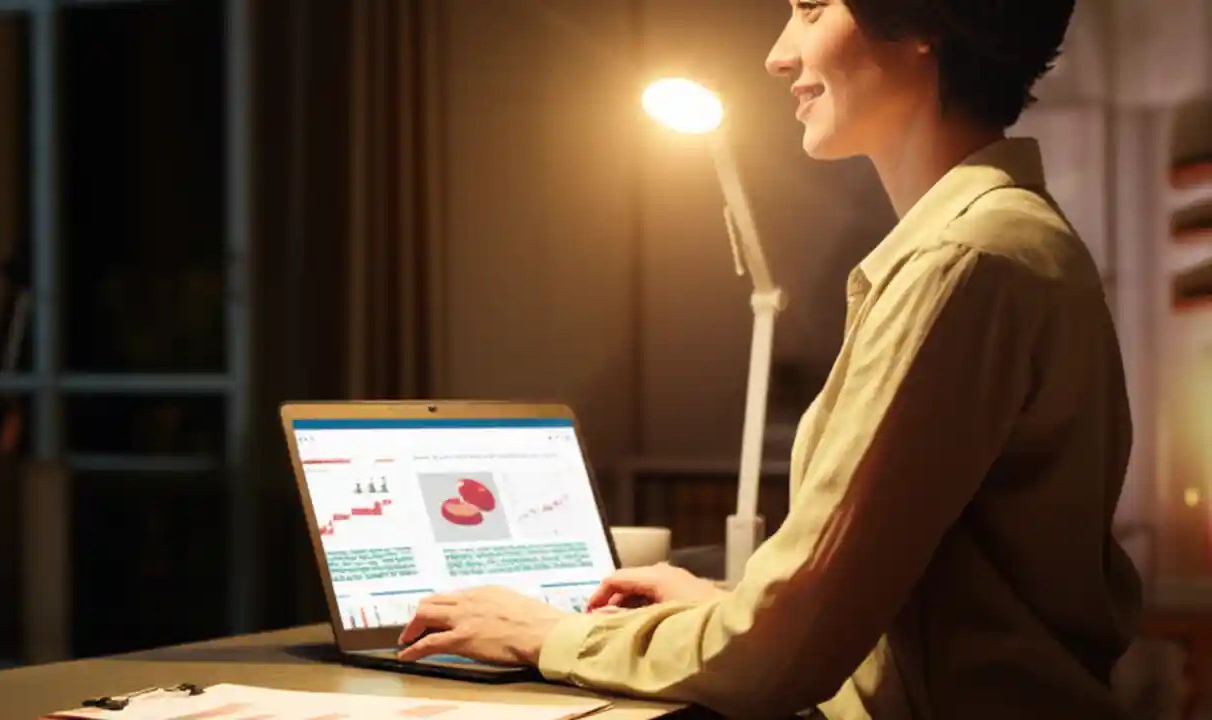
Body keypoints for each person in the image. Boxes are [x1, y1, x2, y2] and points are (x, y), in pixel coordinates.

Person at [397, 1, 1142, 717]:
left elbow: (782, 659)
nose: (778, 54)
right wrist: (728, 609)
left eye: (812, 7)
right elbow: (942, 605)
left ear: (921, 21)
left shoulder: (962, 263)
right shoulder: (1013, 239)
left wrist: (550, 634)